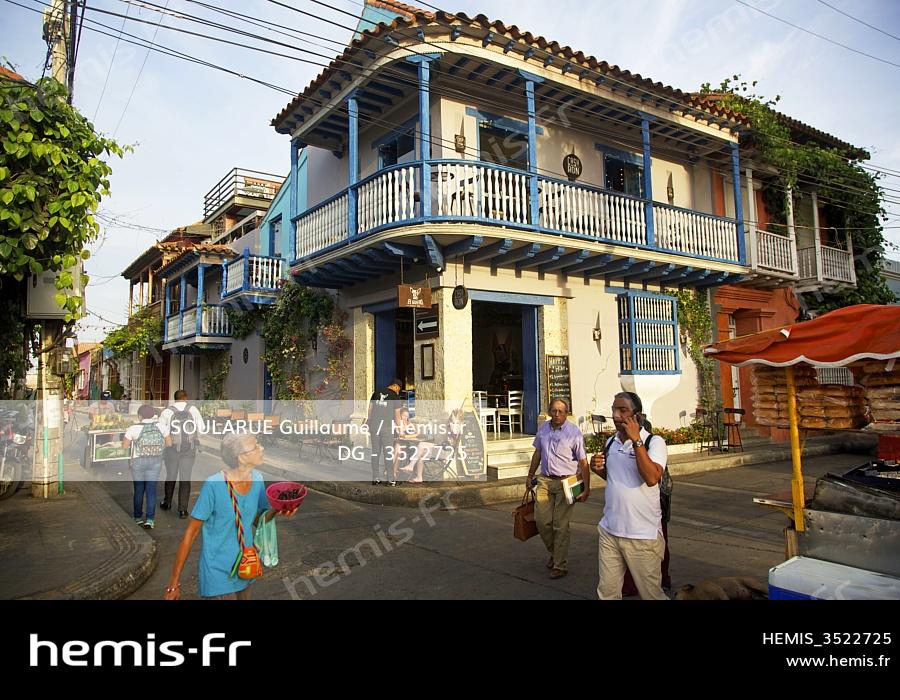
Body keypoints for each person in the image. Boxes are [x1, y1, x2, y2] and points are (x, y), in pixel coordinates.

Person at [163, 434, 297, 600]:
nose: (261, 449)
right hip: (218, 572)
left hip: (247, 565)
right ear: (241, 458)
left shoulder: (257, 479)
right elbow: (191, 533)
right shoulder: (214, 484)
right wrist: (174, 582)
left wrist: (278, 509)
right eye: (255, 446)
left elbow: (258, 520)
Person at [590, 392, 669, 600]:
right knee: (607, 593)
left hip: (641, 535)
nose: (616, 416)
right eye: (614, 410)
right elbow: (615, 478)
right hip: (610, 530)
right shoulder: (611, 443)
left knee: (651, 595)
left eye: (622, 410)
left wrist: (636, 442)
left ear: (638, 416)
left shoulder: (654, 442)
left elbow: (652, 478)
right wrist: (598, 470)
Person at [525, 398, 590, 580]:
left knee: (560, 525)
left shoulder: (573, 433)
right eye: (554, 410)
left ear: (567, 413)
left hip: (566, 483)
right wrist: (530, 475)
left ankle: (560, 564)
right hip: (545, 480)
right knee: (542, 522)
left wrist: (587, 487)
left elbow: (583, 462)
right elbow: (537, 452)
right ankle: (555, 553)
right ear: (549, 411)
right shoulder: (543, 429)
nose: (557, 414)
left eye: (561, 411)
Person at [122, 403, 171, 530]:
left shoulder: (133, 428)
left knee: (139, 489)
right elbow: (169, 443)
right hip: (156, 461)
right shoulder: (161, 426)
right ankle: (150, 519)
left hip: (138, 461)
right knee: (151, 490)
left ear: (140, 416)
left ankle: (137, 517)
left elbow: (124, 446)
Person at [158, 389, 205, 518]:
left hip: (172, 449)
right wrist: (194, 438)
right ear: (186, 398)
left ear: (175, 399)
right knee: (185, 478)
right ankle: (183, 510)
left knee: (171, 475)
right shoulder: (193, 410)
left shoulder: (167, 412)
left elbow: (162, 431)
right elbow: (201, 428)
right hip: (189, 449)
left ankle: (167, 502)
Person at [367, 378, 403, 486]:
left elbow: (370, 409)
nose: (398, 392)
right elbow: (397, 417)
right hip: (386, 428)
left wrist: (370, 422)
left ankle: (375, 478)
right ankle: (391, 479)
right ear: (396, 387)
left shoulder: (377, 392)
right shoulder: (395, 397)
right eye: (399, 390)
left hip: (375, 427)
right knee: (388, 453)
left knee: (375, 452)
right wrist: (400, 430)